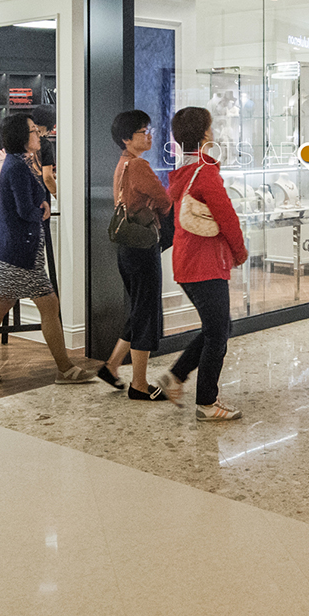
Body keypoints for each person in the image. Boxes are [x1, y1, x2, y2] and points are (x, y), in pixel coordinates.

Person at [0, 112, 90, 384]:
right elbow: (23, 210)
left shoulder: (16, 163)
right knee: (48, 304)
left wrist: (38, 205)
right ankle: (65, 369)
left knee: (2, 304)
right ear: (22, 136)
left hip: (12, 250)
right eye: (33, 131)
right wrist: (41, 210)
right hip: (21, 254)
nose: (38, 135)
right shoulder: (18, 167)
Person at [165, 106, 247, 421]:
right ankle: (207, 403)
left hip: (186, 261)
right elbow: (226, 216)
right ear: (205, 133)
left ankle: (176, 376)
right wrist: (239, 251)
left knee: (219, 327)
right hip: (206, 262)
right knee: (218, 333)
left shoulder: (182, 172)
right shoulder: (205, 171)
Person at [99, 109, 172, 400]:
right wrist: (157, 208)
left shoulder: (123, 165)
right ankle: (139, 384)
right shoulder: (139, 165)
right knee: (146, 313)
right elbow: (164, 199)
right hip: (143, 248)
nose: (149, 135)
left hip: (128, 248)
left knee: (139, 309)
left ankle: (111, 367)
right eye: (144, 131)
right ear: (127, 138)